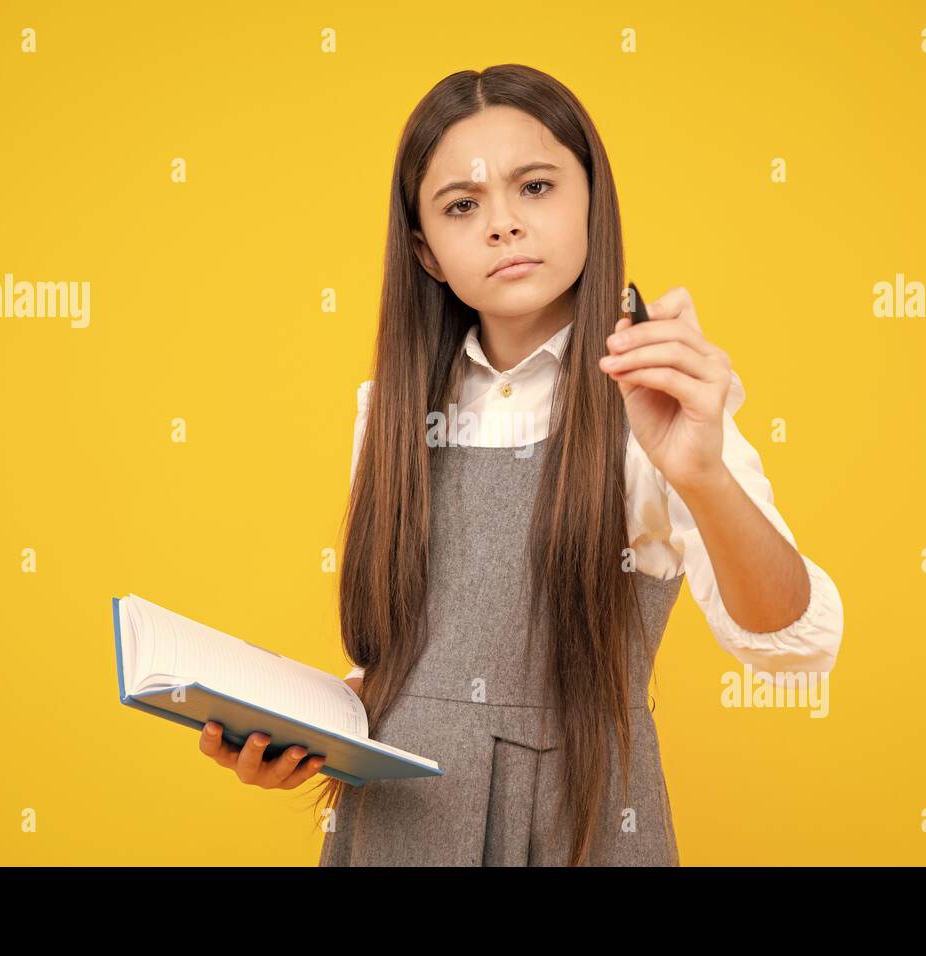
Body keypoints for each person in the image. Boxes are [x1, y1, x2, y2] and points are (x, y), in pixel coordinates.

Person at [199, 63, 844, 866]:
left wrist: (702, 474)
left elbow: (789, 645)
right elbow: (417, 669)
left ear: (591, 202)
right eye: (462, 206)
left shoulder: (659, 398)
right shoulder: (390, 409)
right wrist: (303, 730)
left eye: (534, 187)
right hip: (395, 830)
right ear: (427, 254)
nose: (502, 224)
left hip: (580, 827)